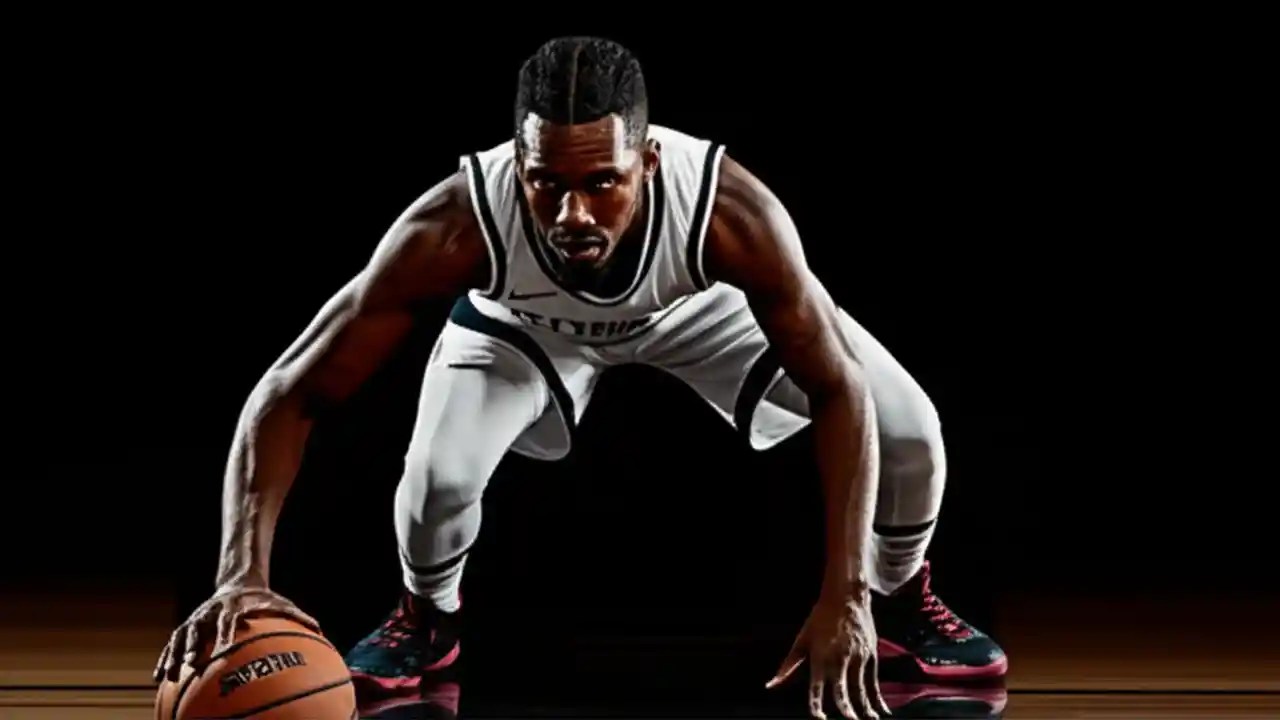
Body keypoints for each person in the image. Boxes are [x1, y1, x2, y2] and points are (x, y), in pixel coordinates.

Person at [153, 36, 1007, 719]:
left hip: (693, 308)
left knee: (909, 428)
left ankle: (898, 604)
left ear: (649, 163)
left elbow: (837, 386)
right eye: (546, 184)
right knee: (436, 483)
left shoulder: (729, 211)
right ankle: (427, 618)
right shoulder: (456, 223)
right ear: (518, 167)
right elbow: (292, 388)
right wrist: (240, 574)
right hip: (523, 322)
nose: (572, 214)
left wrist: (845, 592)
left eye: (602, 183)